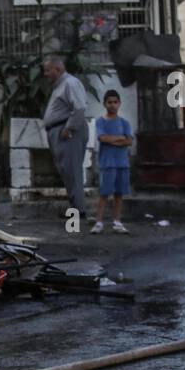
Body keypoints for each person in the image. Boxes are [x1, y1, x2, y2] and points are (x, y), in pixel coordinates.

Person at [41, 54, 90, 219]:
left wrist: (69, 128)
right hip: (59, 131)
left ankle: (78, 211)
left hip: (68, 132)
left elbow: (80, 108)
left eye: (48, 70)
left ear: (58, 69)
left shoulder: (70, 83)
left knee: (72, 171)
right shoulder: (59, 85)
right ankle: (75, 208)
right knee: (66, 171)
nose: (45, 74)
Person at [91, 89, 133, 235]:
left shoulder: (125, 122)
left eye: (115, 102)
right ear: (104, 104)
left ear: (119, 103)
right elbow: (103, 138)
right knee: (104, 193)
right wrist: (119, 138)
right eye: (110, 102)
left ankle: (117, 221)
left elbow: (129, 141)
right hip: (107, 162)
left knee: (119, 194)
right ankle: (99, 222)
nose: (113, 105)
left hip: (122, 163)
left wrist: (114, 139)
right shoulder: (100, 121)